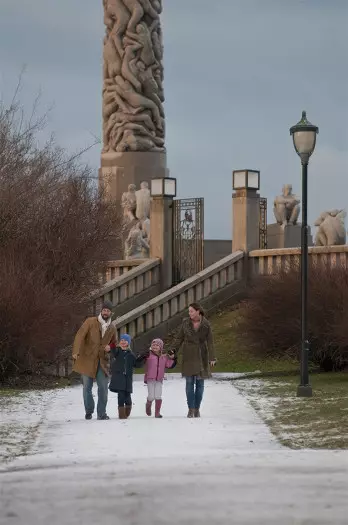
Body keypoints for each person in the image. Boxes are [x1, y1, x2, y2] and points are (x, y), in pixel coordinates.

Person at [72, 301, 116, 421]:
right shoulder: (90, 322)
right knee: (87, 387)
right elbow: (80, 335)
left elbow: (114, 343)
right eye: (104, 310)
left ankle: (102, 413)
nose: (106, 312)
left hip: (102, 361)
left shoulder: (112, 327)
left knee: (103, 387)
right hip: (87, 359)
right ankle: (89, 411)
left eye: (108, 310)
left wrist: (110, 347)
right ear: (101, 311)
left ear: (111, 312)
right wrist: (76, 351)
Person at [172, 303, 216, 418]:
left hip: (201, 355)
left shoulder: (206, 324)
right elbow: (179, 338)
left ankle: (197, 408)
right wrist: (172, 350)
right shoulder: (185, 323)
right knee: (189, 383)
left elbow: (210, 342)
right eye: (189, 311)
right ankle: (190, 409)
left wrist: (212, 357)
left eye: (191, 311)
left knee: (200, 384)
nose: (189, 313)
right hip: (189, 355)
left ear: (198, 311)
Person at [108, 334, 144, 419]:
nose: (123, 342)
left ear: (128, 343)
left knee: (127, 396)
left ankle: (128, 407)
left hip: (127, 379)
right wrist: (112, 343)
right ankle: (121, 414)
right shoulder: (117, 351)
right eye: (122, 340)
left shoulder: (131, 354)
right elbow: (113, 350)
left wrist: (142, 358)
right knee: (120, 396)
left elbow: (137, 364)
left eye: (125, 340)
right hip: (119, 377)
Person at [142, 338, 177, 418]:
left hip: (159, 379)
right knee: (151, 396)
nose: (155, 346)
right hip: (150, 378)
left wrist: (172, 358)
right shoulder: (148, 355)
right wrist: (142, 356)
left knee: (158, 396)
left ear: (160, 347)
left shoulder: (164, 357)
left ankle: (157, 413)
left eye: (157, 345)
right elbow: (140, 361)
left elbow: (169, 365)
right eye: (153, 345)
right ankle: (148, 405)